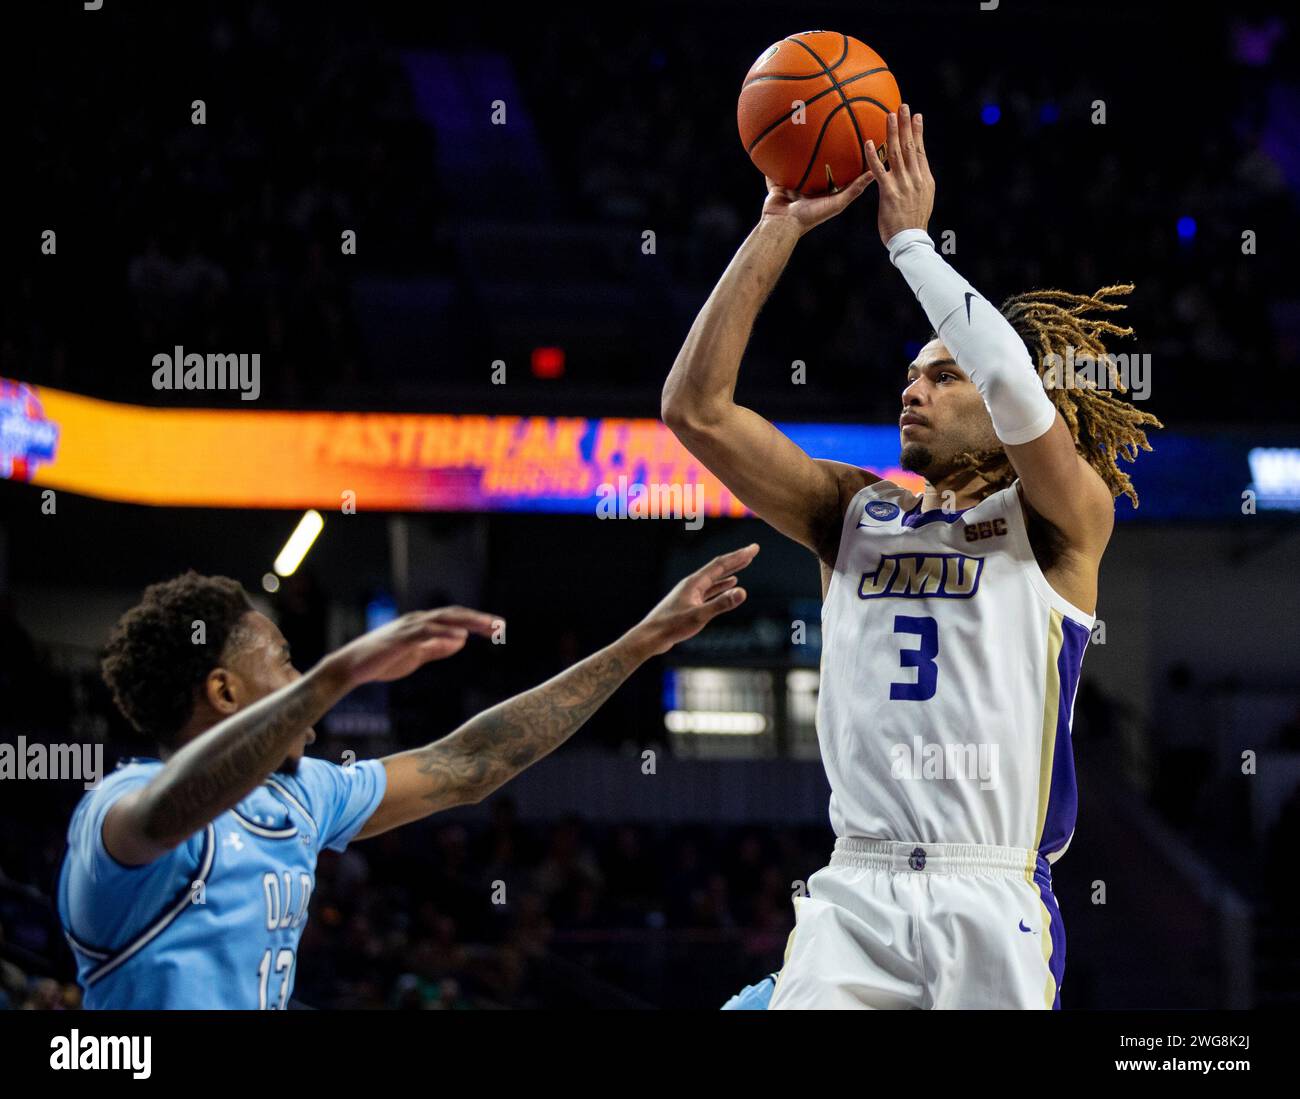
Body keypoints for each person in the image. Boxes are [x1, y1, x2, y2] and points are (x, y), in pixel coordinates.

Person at [664, 105, 1160, 1009]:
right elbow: (694, 410)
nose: (913, 387)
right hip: (856, 892)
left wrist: (912, 249)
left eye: (943, 373)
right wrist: (773, 231)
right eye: (910, 372)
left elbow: (1012, 380)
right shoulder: (852, 511)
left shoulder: (1060, 521)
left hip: (992, 890)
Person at [59, 546, 757, 1008]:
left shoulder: (303, 794)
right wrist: (340, 674)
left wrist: (640, 642)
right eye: (283, 659)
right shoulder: (115, 810)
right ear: (225, 691)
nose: (299, 676)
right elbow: (168, 809)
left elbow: (470, 762)